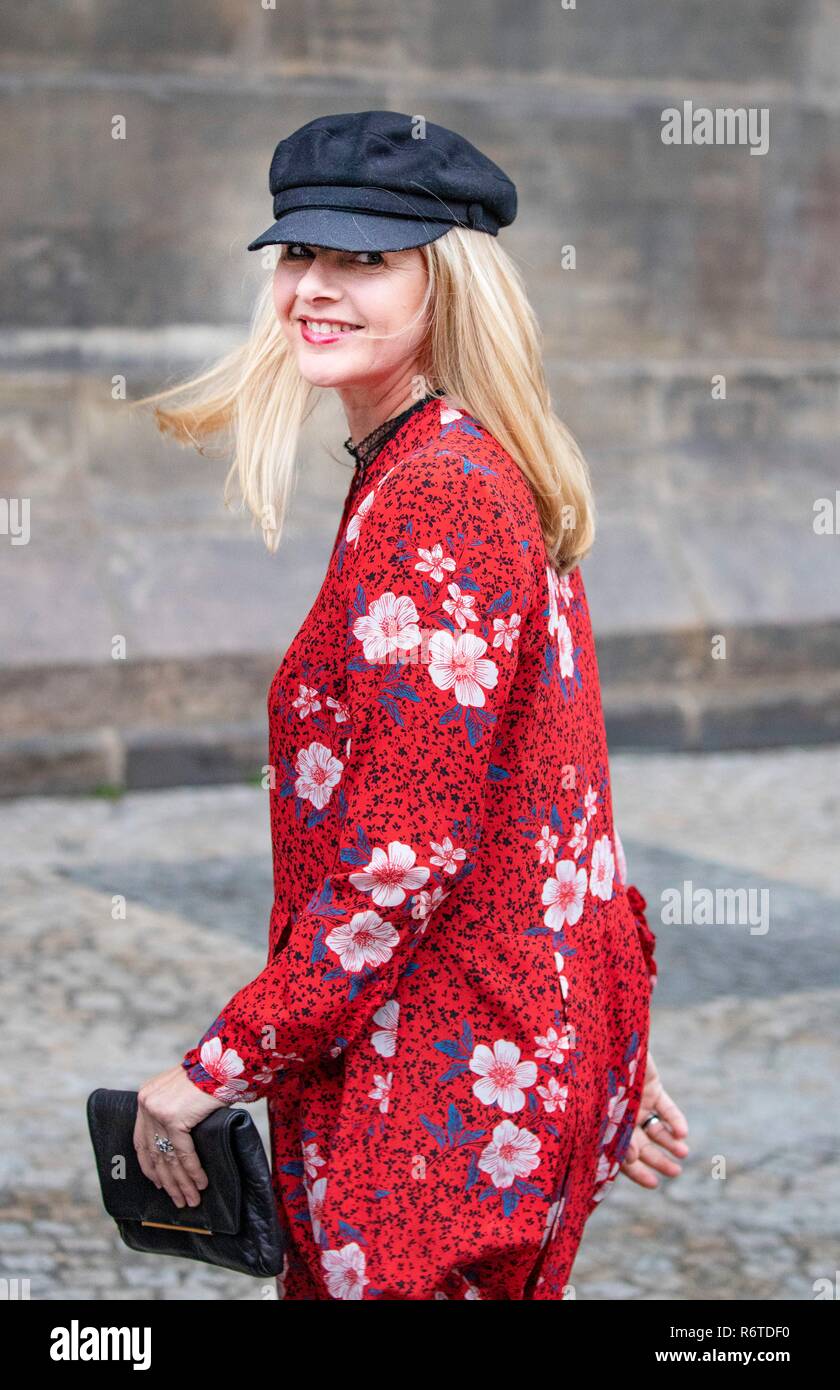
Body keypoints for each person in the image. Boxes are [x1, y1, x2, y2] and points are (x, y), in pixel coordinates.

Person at [131, 110, 689, 1300]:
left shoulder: (442, 492)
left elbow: (404, 851)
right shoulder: (447, 465)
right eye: (298, 255)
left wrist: (211, 1067)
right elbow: (555, 808)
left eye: (365, 261)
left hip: (433, 1106)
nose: (314, 290)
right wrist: (591, 1039)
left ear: (447, 286)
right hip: (469, 1065)